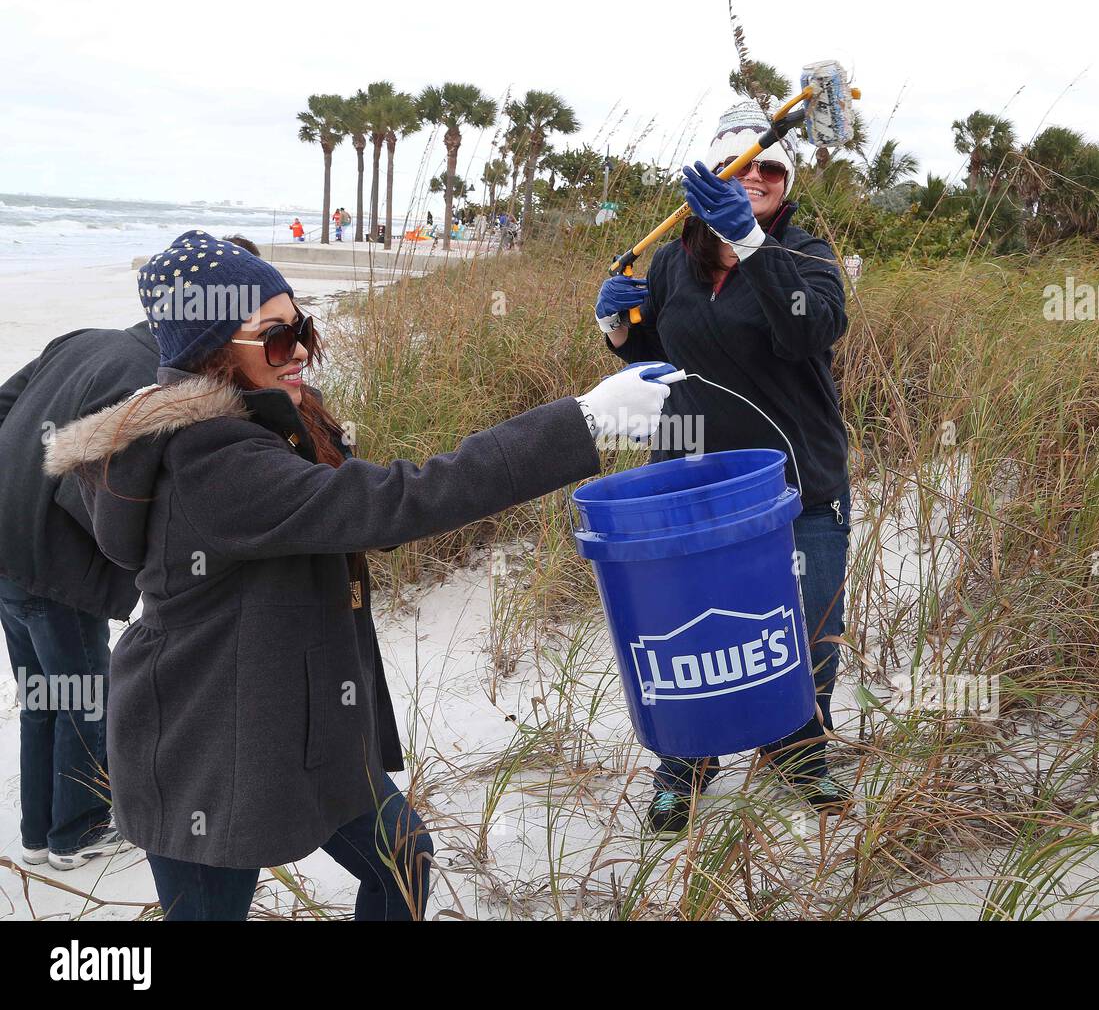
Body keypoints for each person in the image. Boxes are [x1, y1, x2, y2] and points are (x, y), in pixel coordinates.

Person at [44, 230, 670, 919]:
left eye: (302, 327)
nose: (304, 350)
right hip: (205, 751)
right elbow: (397, 500)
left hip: (299, 726)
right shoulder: (208, 462)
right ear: (211, 353)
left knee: (404, 857)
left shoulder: (247, 427)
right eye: (278, 339)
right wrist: (582, 423)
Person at [595, 101, 852, 835]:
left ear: (785, 184)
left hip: (796, 486)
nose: (758, 177)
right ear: (713, 174)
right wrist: (618, 328)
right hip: (692, 487)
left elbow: (808, 327)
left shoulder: (805, 255)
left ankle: (800, 754)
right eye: (741, 167)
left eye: (771, 168)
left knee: (803, 633)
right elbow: (663, 363)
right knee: (692, 628)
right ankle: (687, 761)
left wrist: (746, 240)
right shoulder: (674, 262)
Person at [0, 323, 160, 870]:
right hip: (57, 568)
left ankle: (37, 834)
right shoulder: (147, 382)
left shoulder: (81, 340)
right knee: (86, 700)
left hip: (9, 548)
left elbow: (4, 407)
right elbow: (88, 498)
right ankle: (78, 832)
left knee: (43, 696)